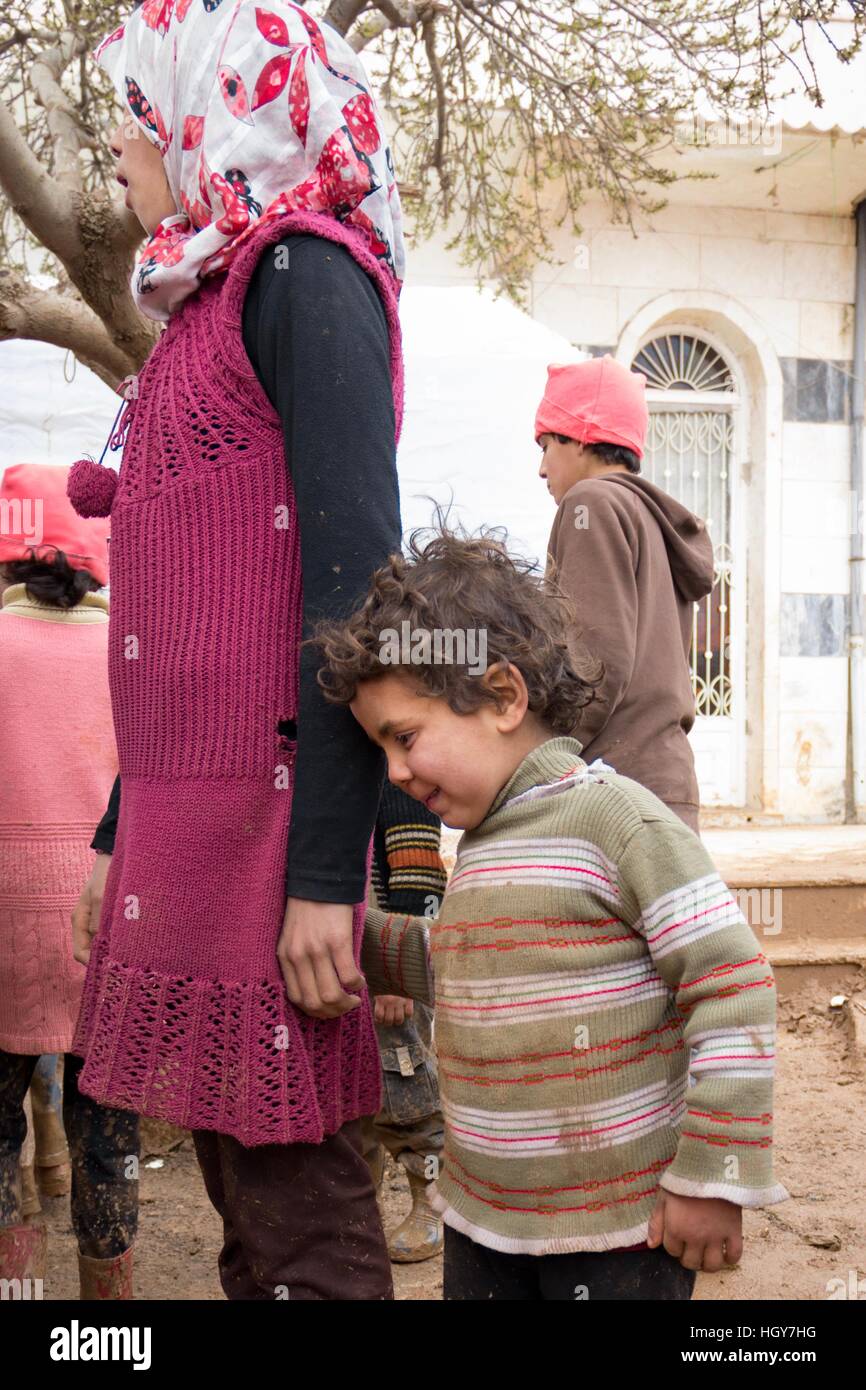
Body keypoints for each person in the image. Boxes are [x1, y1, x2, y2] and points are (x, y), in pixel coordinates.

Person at [66, 0, 405, 1300]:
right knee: (245, 1215)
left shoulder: (306, 275)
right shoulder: (203, 302)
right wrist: (119, 828)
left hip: (273, 839)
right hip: (191, 829)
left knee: (300, 1218)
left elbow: (355, 591)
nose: (119, 145)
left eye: (137, 112)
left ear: (206, 108)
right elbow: (180, 626)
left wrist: (326, 874)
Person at [313, 526, 789, 1302]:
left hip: (619, 1232)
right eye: (382, 751)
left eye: (405, 738)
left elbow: (732, 987)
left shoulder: (617, 820)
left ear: (503, 697)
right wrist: (352, 934)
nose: (395, 772)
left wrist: (712, 1176)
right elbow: (471, 966)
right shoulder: (486, 842)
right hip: (484, 1223)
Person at [0, 464, 139, 1299]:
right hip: (108, 919)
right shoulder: (129, 653)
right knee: (108, 1137)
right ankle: (105, 1313)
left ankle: (17, 1291)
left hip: (4, 927)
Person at [536, 356, 715, 832]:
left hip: (611, 791)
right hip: (664, 783)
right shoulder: (647, 517)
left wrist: (542, 759)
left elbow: (594, 661)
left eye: (547, 444)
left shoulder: (591, 502)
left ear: (580, 436)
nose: (541, 468)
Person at [362, 782, 446, 1262]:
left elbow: (418, 866)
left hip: (388, 954)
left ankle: (431, 1200)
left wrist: (394, 974)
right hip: (341, 950)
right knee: (351, 1094)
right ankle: (360, 1207)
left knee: (406, 1081)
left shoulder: (390, 769)